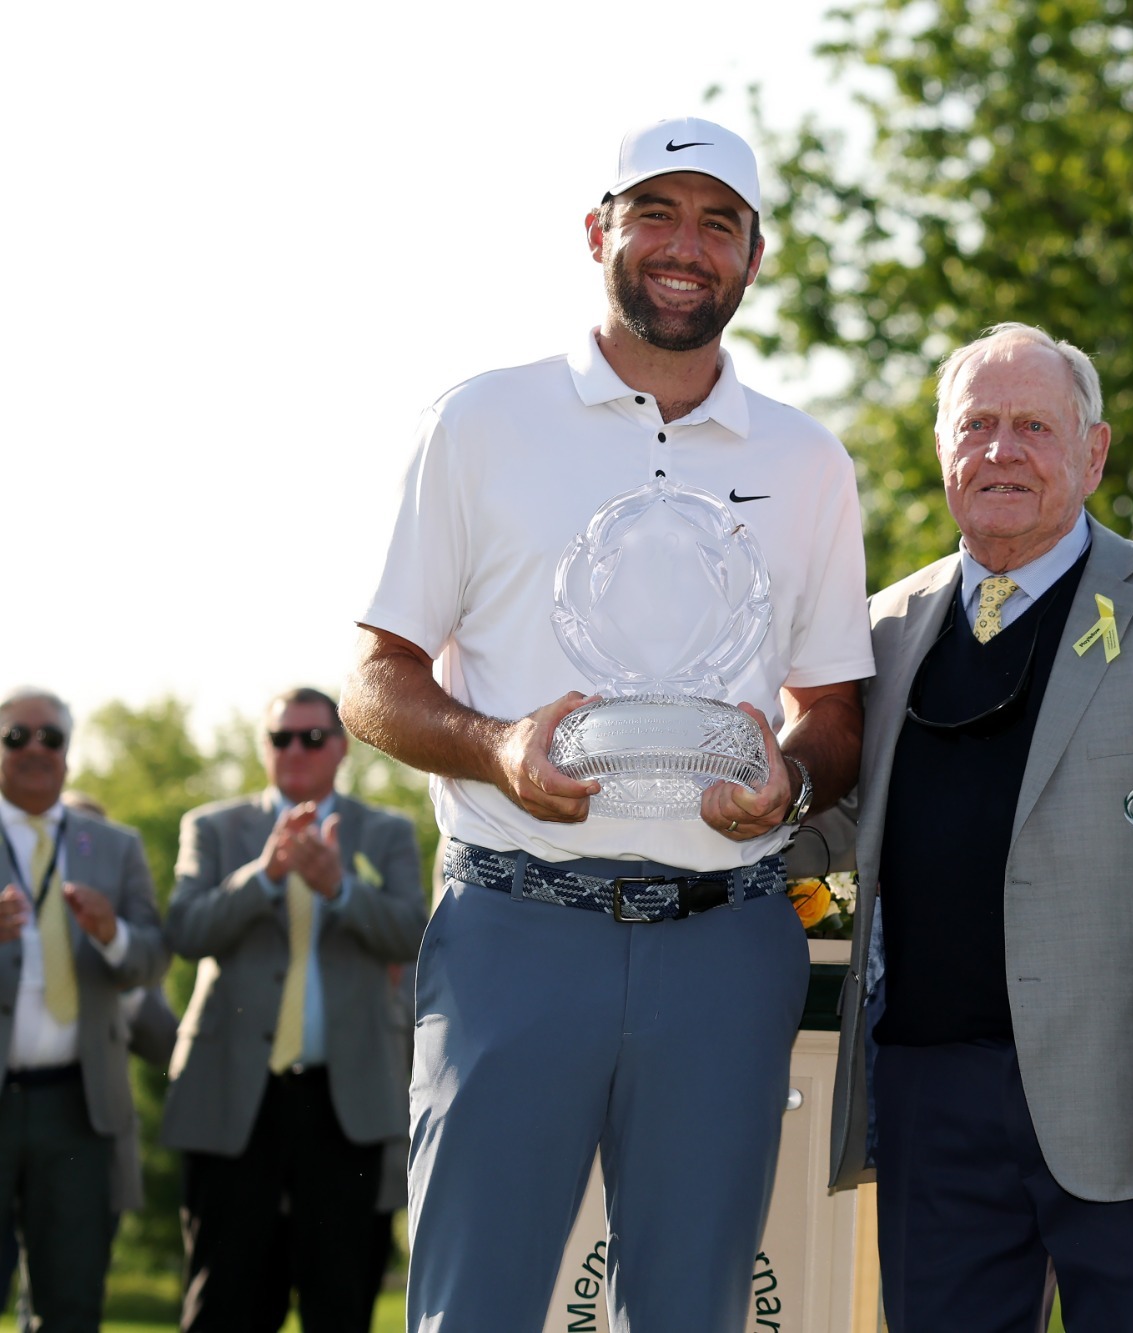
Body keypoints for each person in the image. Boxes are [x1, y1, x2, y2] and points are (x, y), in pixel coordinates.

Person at [341, 114, 871, 1331]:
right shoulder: (479, 421)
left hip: (724, 946)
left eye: (718, 223)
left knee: (690, 1314)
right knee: (472, 1312)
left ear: (753, 257)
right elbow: (377, 676)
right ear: (600, 233)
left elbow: (834, 711)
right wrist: (497, 748)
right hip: (516, 930)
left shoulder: (808, 460)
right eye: (657, 213)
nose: (687, 245)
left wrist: (787, 785)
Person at [826, 323, 1133, 1331]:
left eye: (1034, 426)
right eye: (978, 424)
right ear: (942, 449)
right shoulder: (876, 629)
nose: (1002, 450)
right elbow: (823, 827)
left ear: (1092, 454)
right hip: (928, 1097)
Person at [160, 687, 425, 1333]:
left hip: (346, 1102)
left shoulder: (385, 831)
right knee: (224, 1301)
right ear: (265, 746)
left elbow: (411, 935)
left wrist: (340, 887)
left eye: (312, 736)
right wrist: (265, 874)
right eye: (283, 737)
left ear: (341, 746)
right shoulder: (213, 826)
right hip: (233, 1099)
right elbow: (186, 933)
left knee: (341, 1300)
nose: (296, 749)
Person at [0, 687, 167, 1333]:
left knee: (71, 1304)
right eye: (18, 736)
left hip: (78, 1105)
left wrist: (113, 934)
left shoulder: (114, 845)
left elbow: (154, 955)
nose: (36, 748)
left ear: (69, 753)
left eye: (51, 737)